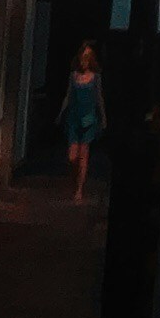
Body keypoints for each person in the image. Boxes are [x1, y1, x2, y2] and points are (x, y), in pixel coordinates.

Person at [61, 43, 105, 204]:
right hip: (74, 117)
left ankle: (79, 188)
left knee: (83, 154)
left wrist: (103, 117)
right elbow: (68, 95)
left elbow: (99, 97)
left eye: (87, 58)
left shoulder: (96, 77)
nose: (84, 61)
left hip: (88, 118)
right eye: (82, 57)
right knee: (72, 156)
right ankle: (74, 180)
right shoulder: (73, 76)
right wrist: (61, 113)